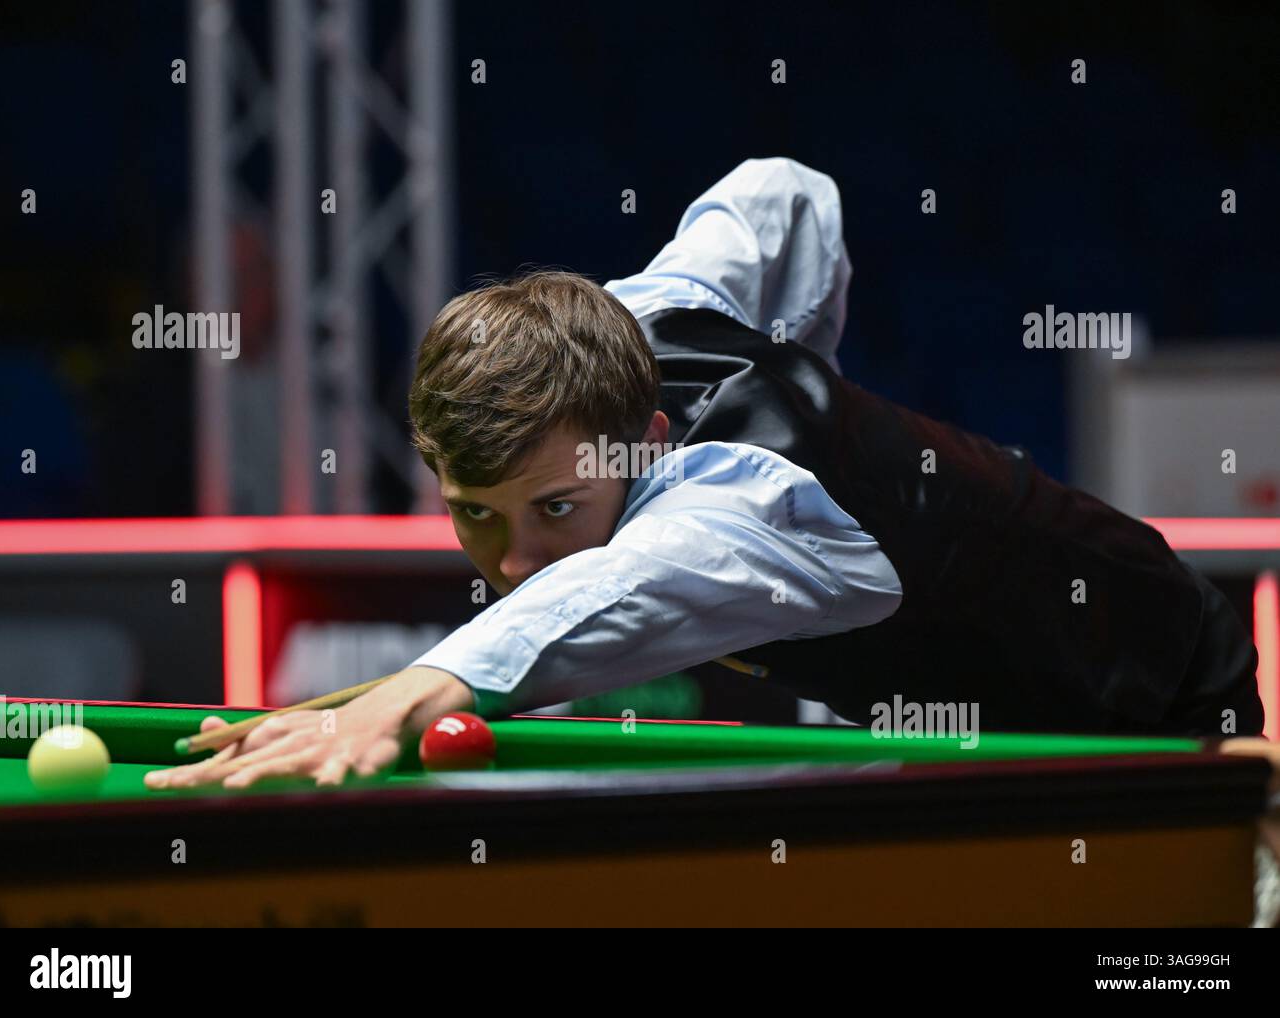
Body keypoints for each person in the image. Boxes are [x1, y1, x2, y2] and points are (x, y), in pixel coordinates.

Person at [146, 158, 1265, 791]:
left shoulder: (737, 512)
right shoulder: (637, 321)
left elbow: (594, 595)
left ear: (643, 428)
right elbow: (784, 193)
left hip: (1146, 688)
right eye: (472, 513)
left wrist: (407, 694)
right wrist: (804, 354)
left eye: (553, 508)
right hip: (968, 715)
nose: (517, 556)